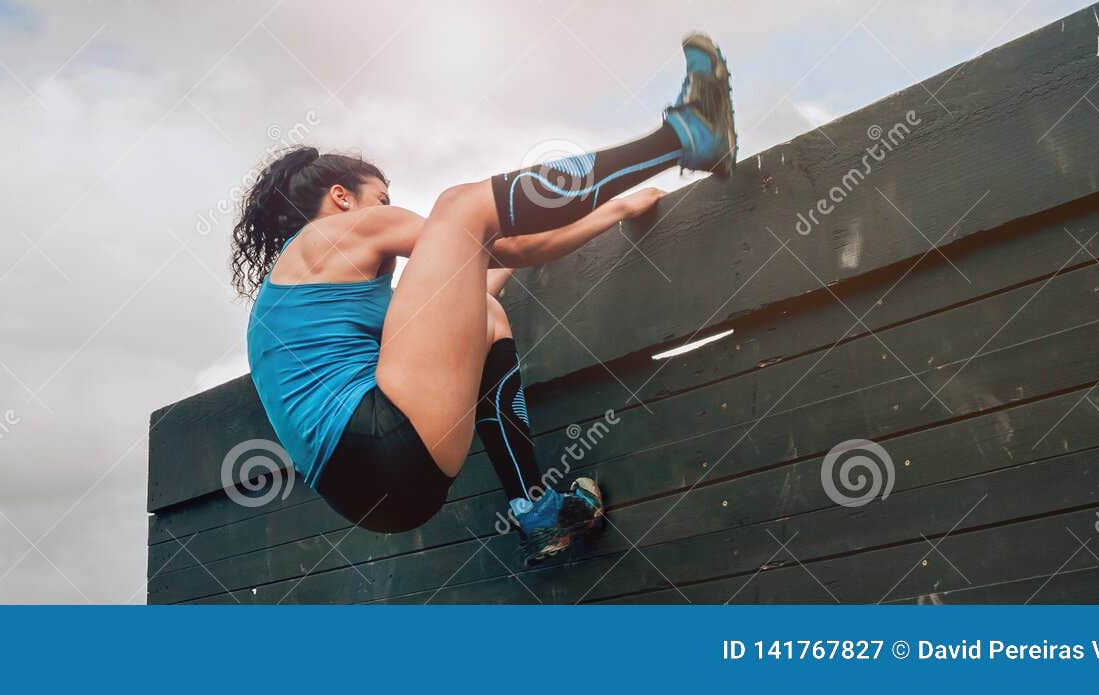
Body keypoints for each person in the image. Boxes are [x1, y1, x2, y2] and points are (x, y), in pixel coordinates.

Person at [233, 35, 735, 564]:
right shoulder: (333, 236)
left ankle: (539, 515)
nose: (389, 209)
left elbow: (488, 277)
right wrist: (525, 222)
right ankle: (684, 135)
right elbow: (498, 235)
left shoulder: (299, 301)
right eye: (382, 198)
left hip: (378, 495)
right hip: (382, 440)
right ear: (342, 197)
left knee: (488, 311)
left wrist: (612, 213)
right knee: (460, 205)